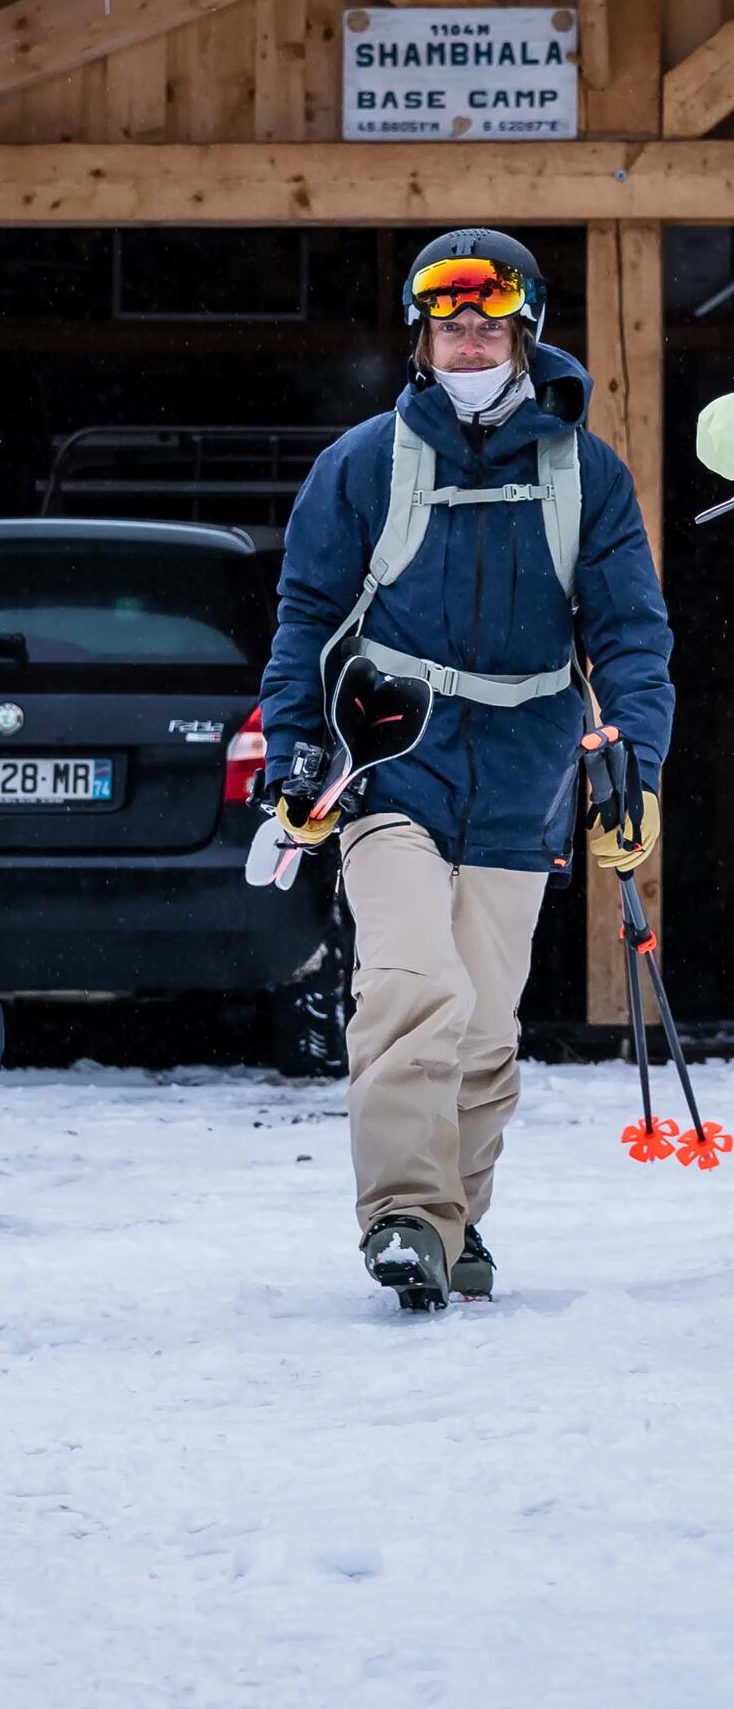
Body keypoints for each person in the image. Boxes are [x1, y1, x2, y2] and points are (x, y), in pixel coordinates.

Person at [259, 229, 674, 1309]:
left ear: (525, 332)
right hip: (393, 759)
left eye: (490, 322)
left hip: (526, 773)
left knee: (486, 1025)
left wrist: (639, 767)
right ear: (421, 339)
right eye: (450, 323)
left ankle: (457, 1218)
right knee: (412, 983)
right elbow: (305, 615)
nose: (470, 339)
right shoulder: (362, 464)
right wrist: (297, 749)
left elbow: (630, 632)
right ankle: (403, 1213)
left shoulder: (584, 473)